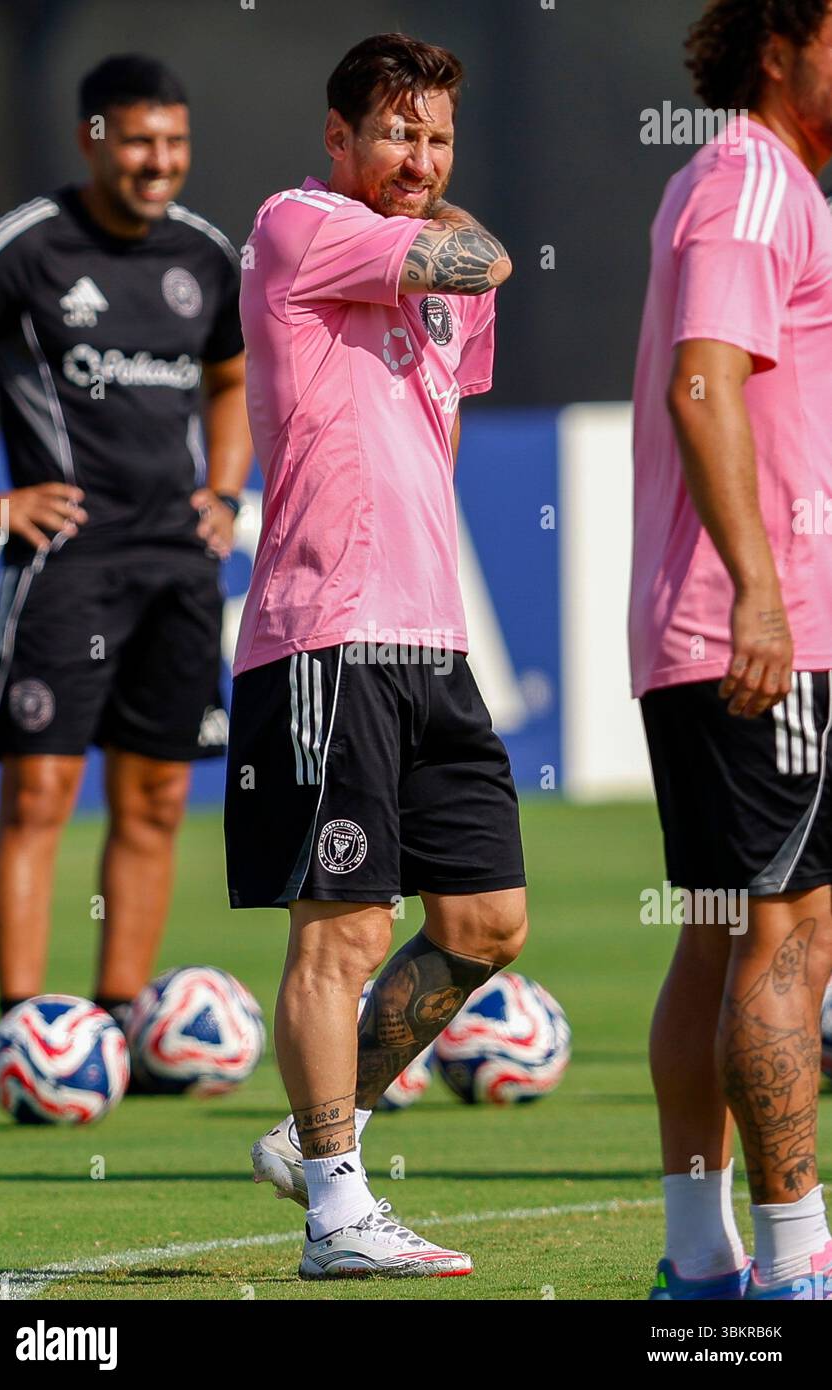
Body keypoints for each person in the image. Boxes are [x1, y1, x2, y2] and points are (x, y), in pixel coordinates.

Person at [224, 32, 528, 1279]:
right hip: (325, 630)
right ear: (336, 137)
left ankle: (314, 1138)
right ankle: (338, 1215)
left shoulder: (427, 264)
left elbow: (449, 374)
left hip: (429, 635)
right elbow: (477, 249)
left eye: (439, 137)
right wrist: (435, 207)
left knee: (485, 920)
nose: (420, 158)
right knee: (339, 932)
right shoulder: (296, 220)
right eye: (397, 133)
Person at [0, 54, 251, 1037]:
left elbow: (231, 377)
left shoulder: (206, 254)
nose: (156, 160)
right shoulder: (29, 246)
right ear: (94, 139)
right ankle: (26, 1025)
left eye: (172, 142)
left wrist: (222, 490)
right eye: (137, 141)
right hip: (65, 563)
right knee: (40, 788)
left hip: (178, 562)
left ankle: (120, 1012)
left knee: (158, 796)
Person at [631, 0, 832, 1301]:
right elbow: (701, 381)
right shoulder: (750, 181)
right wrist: (759, 590)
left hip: (725, 627)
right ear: (781, 46)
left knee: (717, 933)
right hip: (750, 633)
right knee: (786, 935)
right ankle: (795, 1256)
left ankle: (701, 1257)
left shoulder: (760, 184)